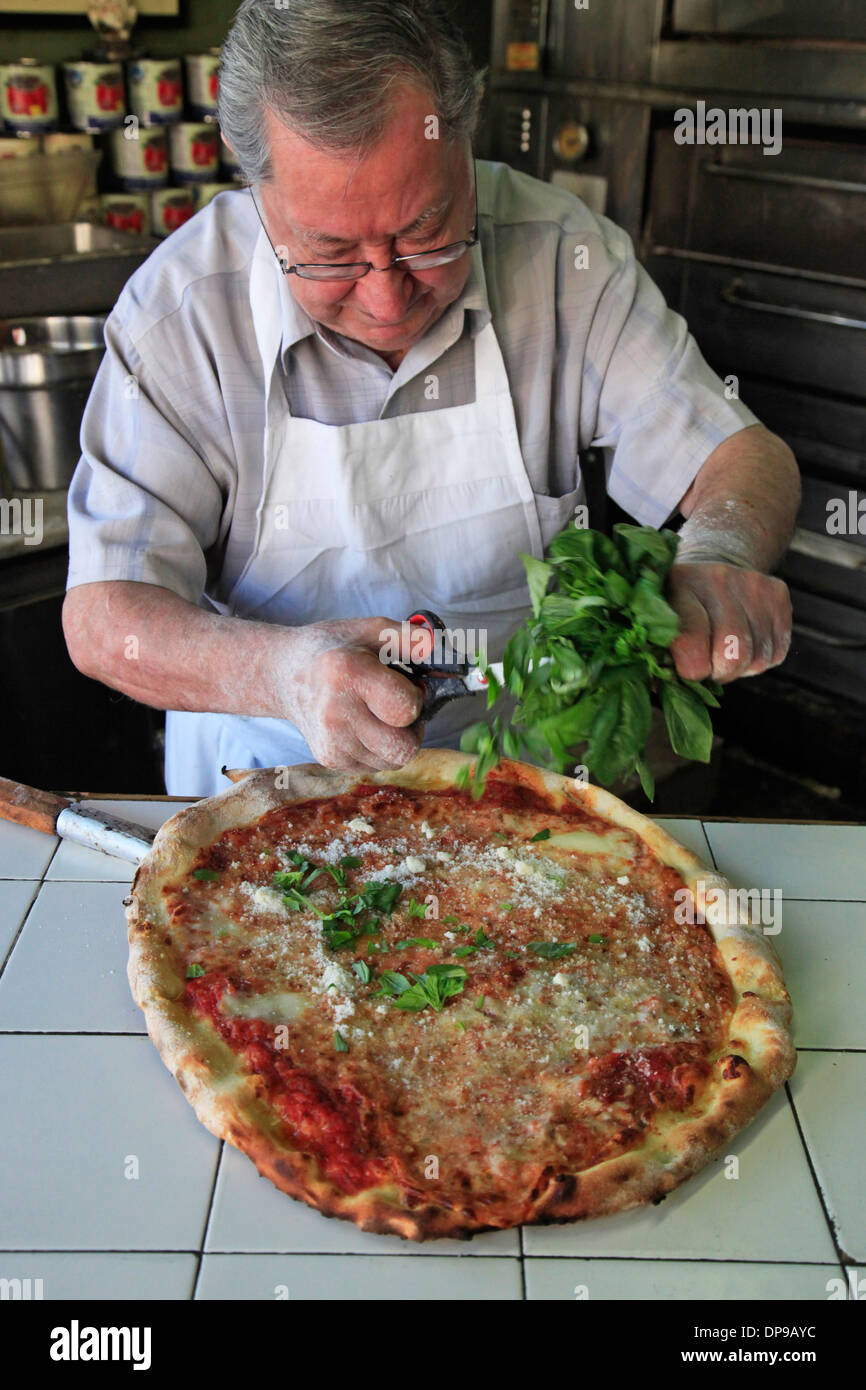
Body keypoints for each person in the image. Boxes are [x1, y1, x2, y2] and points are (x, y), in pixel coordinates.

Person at [62, 0, 800, 798]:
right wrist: (282, 674)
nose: (387, 299)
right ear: (252, 179)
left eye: (426, 232)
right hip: (268, 789)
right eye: (330, 253)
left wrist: (721, 554)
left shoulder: (565, 259)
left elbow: (738, 455)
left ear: (466, 135)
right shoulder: (181, 316)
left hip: (531, 780)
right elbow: (104, 615)